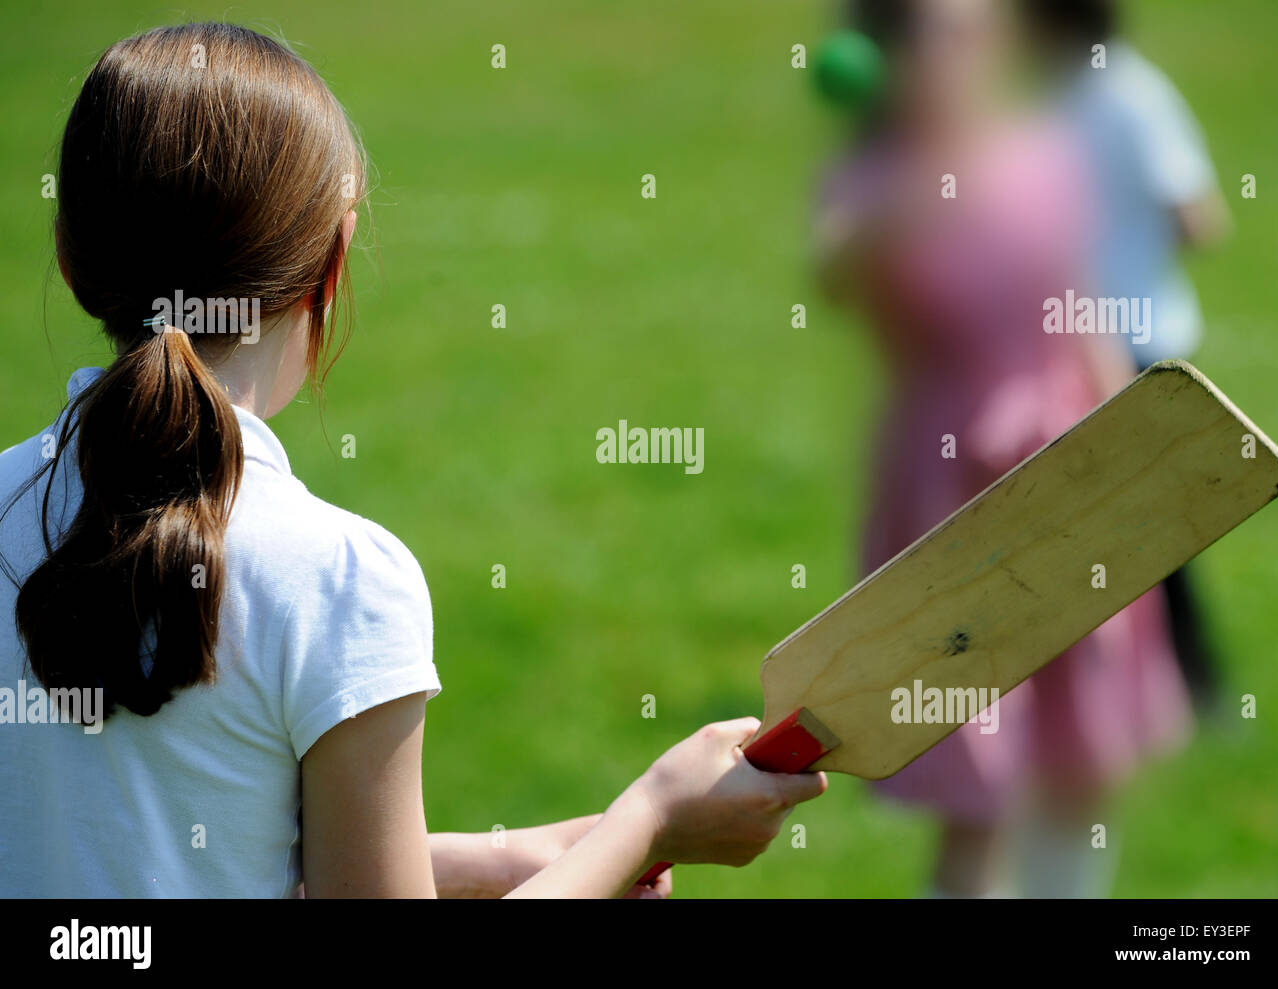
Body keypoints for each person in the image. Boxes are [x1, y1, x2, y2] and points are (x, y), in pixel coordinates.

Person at [0, 23, 826, 898]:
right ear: (330, 263)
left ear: (68, 254)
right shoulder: (339, 582)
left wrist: (515, 857)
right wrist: (648, 818)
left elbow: (207, 835)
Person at [815, 0, 1192, 897]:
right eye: (943, 33)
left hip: (1068, 458)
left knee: (1082, 754)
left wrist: (1126, 438)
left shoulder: (1044, 154)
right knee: (978, 769)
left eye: (976, 28)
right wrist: (930, 175)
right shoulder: (871, 181)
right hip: (949, 475)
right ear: (889, 54)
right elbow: (842, 279)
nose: (968, 50)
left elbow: (1083, 307)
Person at [1021, 0, 1232, 714]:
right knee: (1129, 524)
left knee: (1145, 530)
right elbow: (1198, 220)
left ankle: (1187, 687)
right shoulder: (1114, 95)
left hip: (1132, 348)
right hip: (1108, 339)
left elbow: (1198, 212)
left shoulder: (1108, 98)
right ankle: (1135, 687)